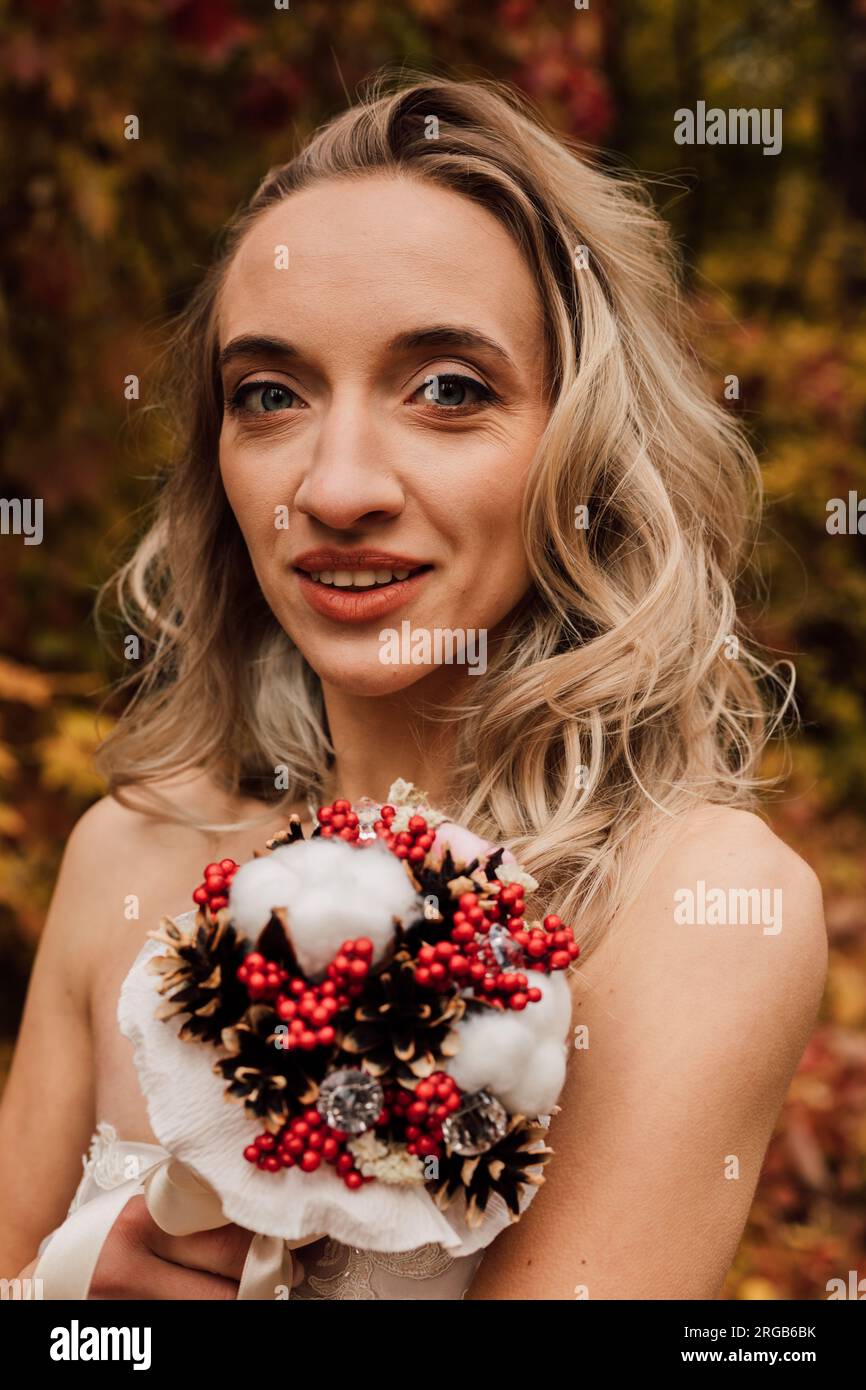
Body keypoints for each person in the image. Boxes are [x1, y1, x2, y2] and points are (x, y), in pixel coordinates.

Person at [0, 72, 826, 1300]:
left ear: (581, 443)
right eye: (269, 395)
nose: (335, 488)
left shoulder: (695, 908)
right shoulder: (123, 855)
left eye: (447, 388)